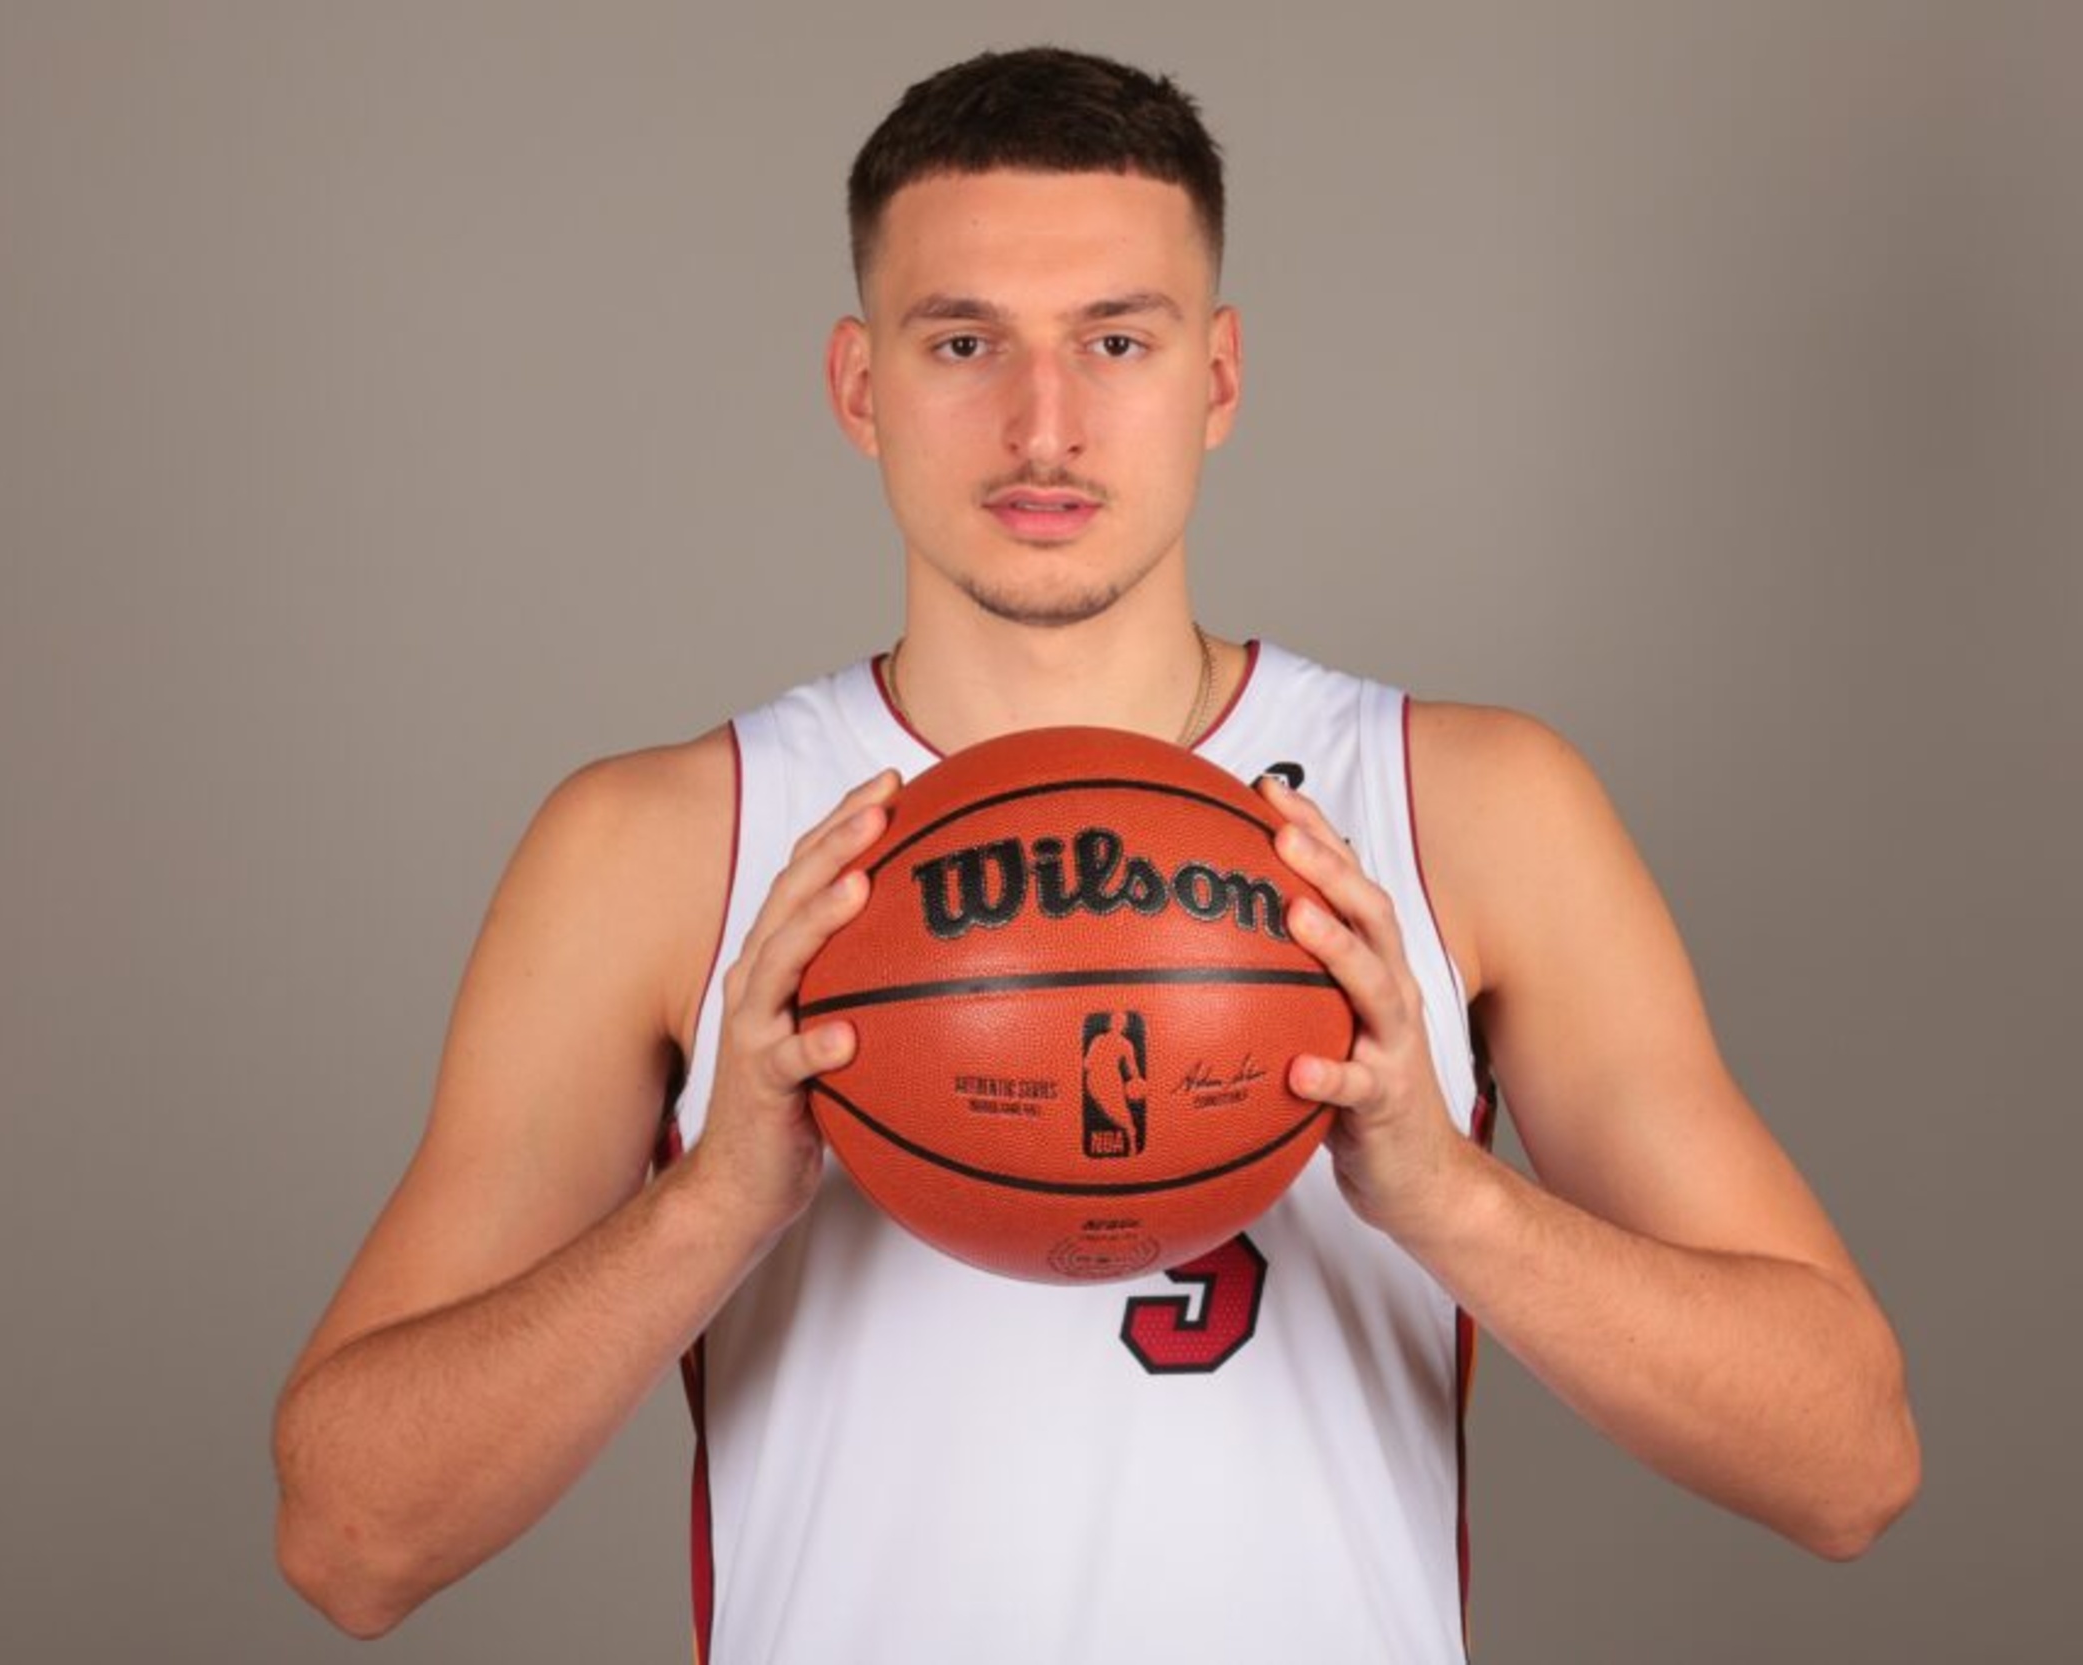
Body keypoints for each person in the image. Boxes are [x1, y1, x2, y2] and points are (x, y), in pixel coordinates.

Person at [270, 46, 1918, 1660]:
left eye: (1117, 340)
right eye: (963, 341)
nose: (1042, 424)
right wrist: (713, 1205)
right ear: (859, 387)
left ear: (1218, 378)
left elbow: (1849, 1461)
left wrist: (1447, 1194)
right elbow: (348, 1538)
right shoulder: (661, 848)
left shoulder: (1466, 808)